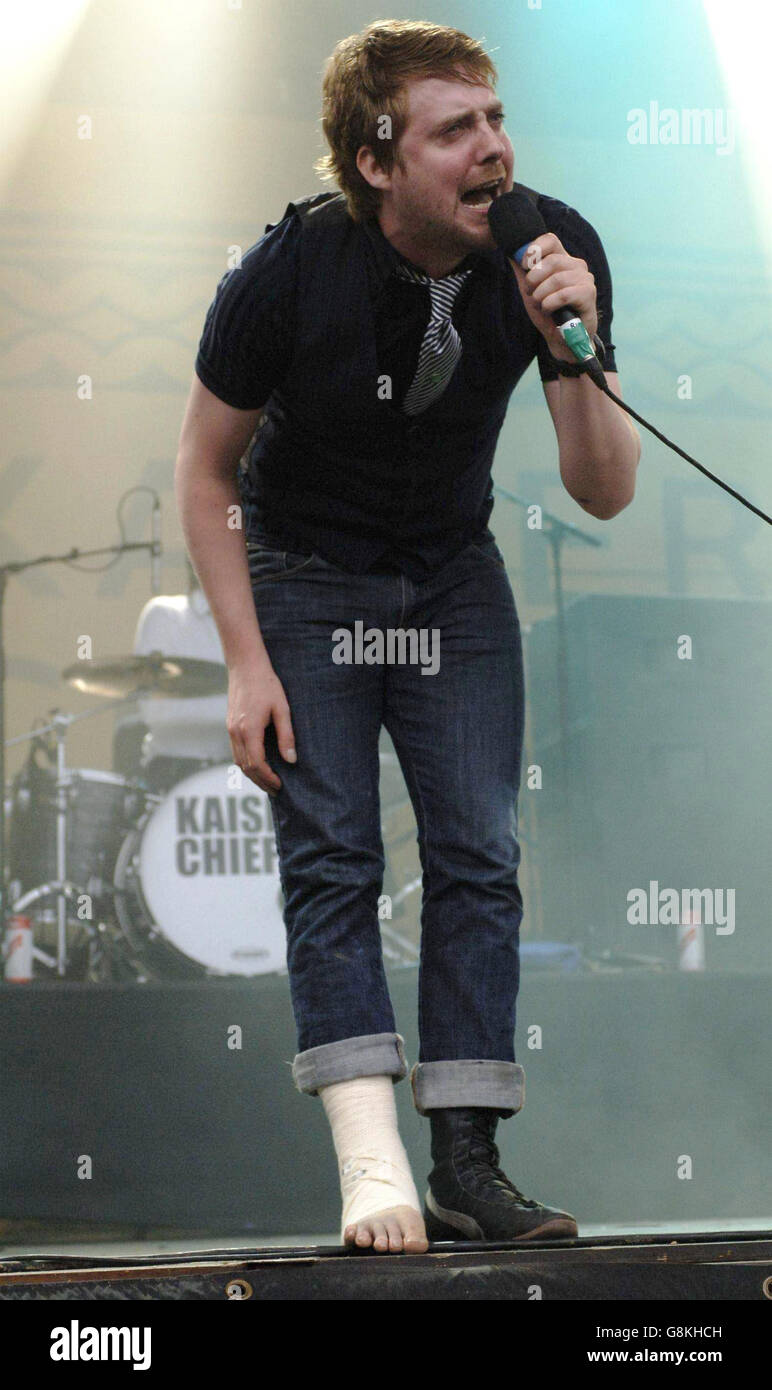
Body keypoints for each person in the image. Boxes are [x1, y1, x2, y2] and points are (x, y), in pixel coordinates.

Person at [175, 19, 641, 1255]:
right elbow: (204, 467)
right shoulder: (287, 271)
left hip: (448, 569)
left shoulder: (552, 248)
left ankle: (470, 1166)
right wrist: (245, 659)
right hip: (302, 567)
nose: (492, 149)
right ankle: (369, 1164)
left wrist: (572, 344)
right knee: (333, 858)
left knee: (479, 854)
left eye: (494, 118)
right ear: (377, 161)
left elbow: (605, 492)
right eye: (455, 130)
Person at [131, 558, 231, 791]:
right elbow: (156, 712)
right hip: (173, 772)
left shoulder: (258, 617)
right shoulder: (164, 614)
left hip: (240, 773)